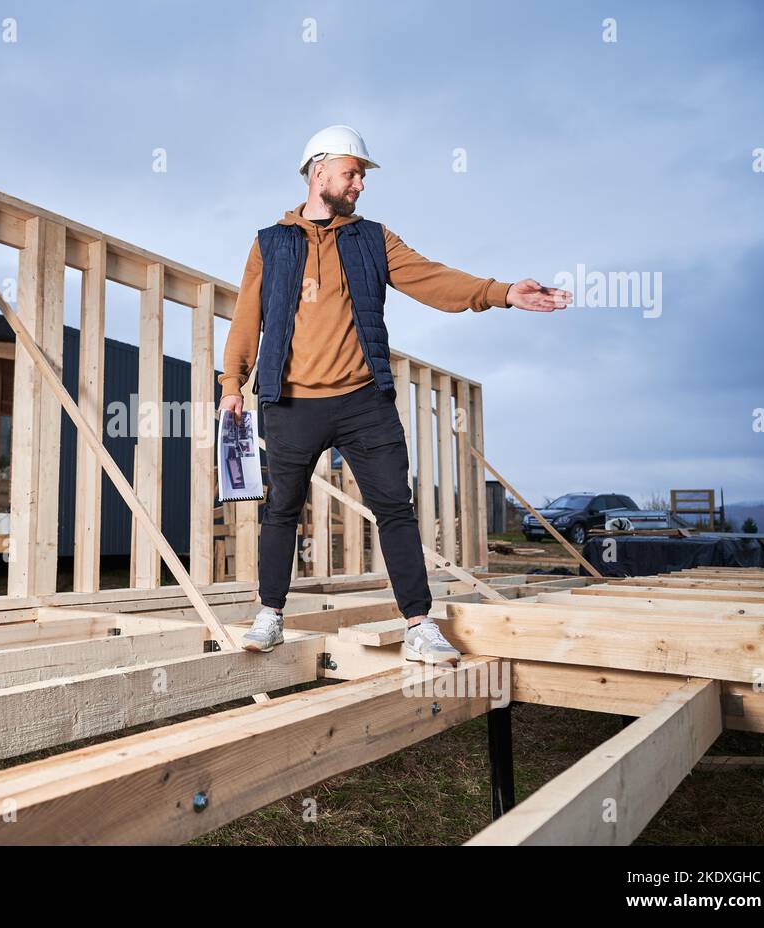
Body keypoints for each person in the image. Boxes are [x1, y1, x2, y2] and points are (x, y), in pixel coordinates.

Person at [222, 125, 571, 663]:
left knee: (395, 510)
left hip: (365, 402)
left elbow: (433, 280)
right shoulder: (270, 243)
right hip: (289, 404)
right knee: (282, 510)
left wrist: (501, 293)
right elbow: (248, 317)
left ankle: (418, 624)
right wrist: (232, 385)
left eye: (361, 174)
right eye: (352, 172)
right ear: (319, 172)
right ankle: (270, 614)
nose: (360, 183)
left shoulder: (373, 239)